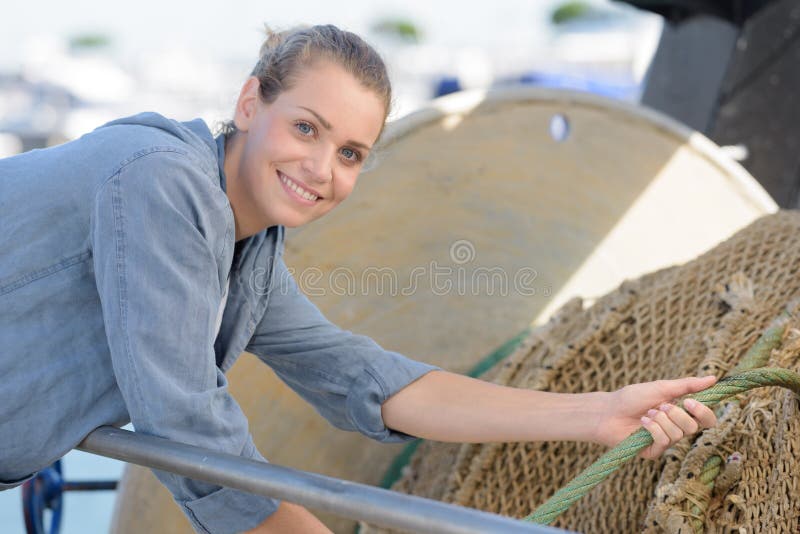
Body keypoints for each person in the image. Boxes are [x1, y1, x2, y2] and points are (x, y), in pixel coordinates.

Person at [0, 24, 718, 534]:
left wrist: (596, 414)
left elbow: (362, 376)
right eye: (306, 129)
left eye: (351, 152)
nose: (322, 170)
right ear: (251, 104)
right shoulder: (164, 182)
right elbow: (184, 423)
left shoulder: (246, 256)